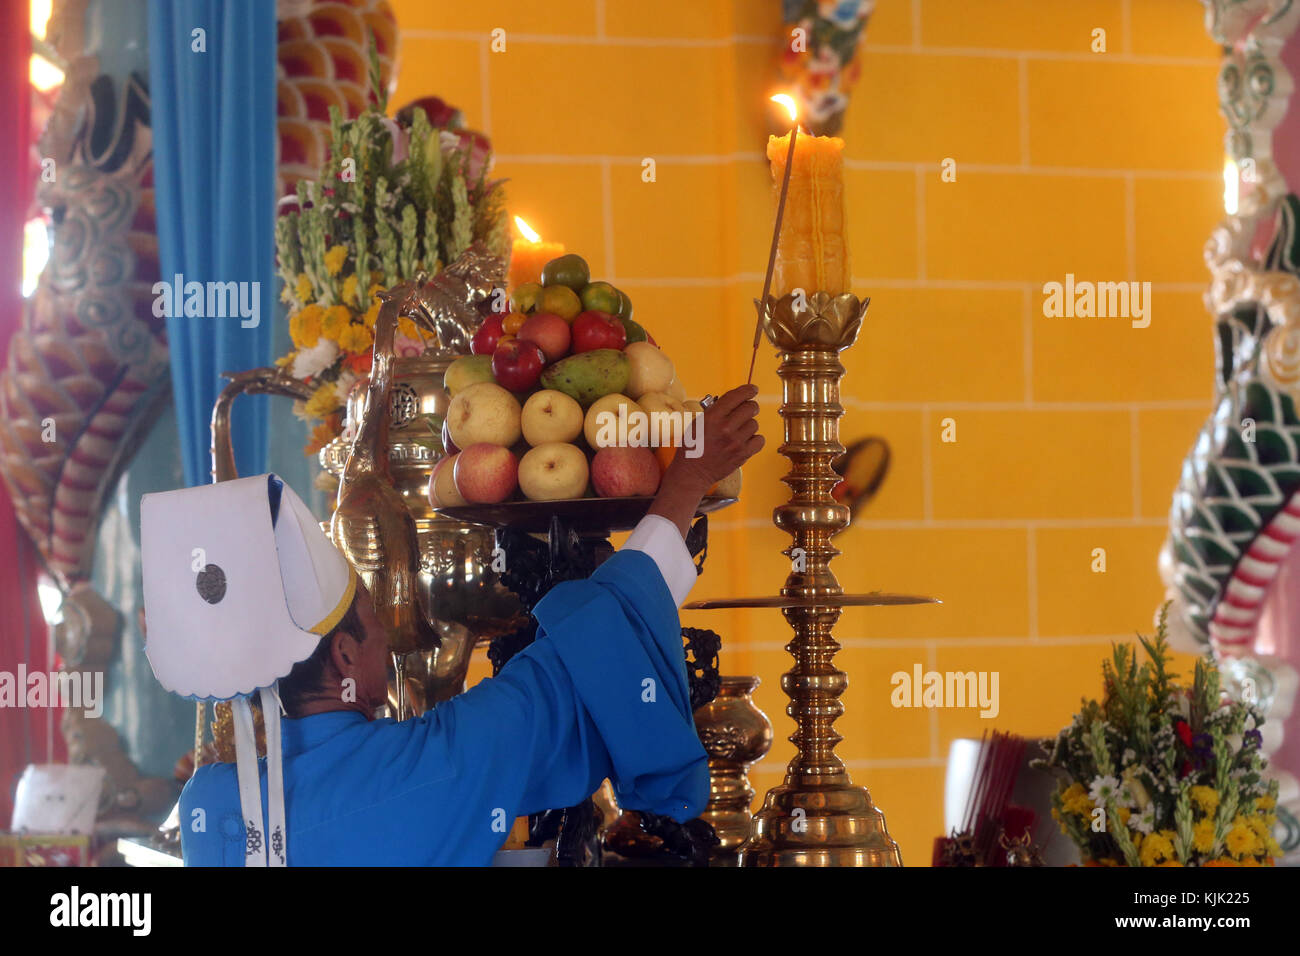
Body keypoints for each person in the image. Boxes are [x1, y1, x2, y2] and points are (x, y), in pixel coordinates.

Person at [145, 385, 762, 866]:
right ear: (342, 658)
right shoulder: (435, 763)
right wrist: (688, 477)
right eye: (373, 616)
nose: (390, 630)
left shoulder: (210, 802)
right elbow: (596, 654)